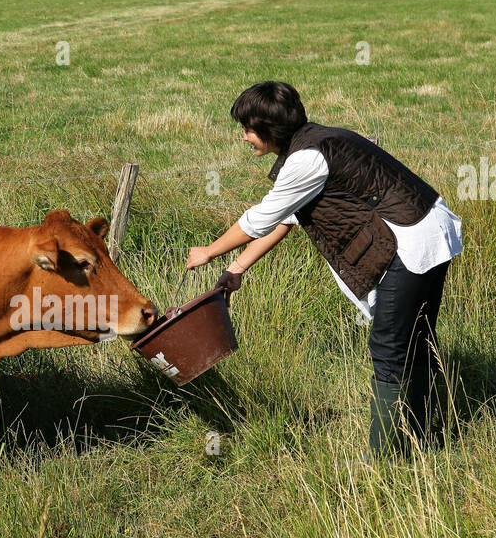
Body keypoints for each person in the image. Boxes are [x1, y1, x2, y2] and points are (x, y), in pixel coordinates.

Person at [186, 81, 463, 459]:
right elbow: (285, 221)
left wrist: (209, 251)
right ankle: (424, 438)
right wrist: (236, 268)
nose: (244, 137)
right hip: (429, 229)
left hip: (412, 241)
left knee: (389, 346)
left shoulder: (307, 158)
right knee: (414, 338)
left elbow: (261, 220)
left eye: (248, 129)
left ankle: (386, 458)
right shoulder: (315, 144)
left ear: (269, 129)